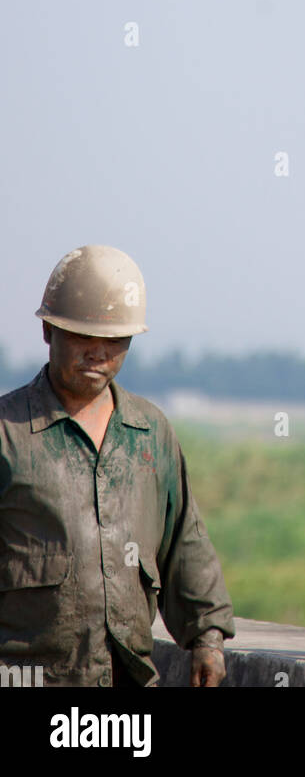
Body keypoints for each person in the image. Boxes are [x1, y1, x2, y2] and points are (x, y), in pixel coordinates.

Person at [0, 245, 235, 688]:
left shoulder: (150, 432)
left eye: (114, 340)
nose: (98, 353)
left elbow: (185, 540)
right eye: (82, 336)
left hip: (126, 678)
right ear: (49, 332)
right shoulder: (7, 434)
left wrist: (207, 637)